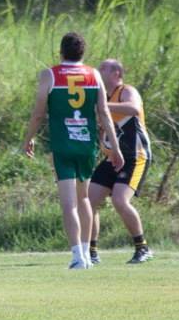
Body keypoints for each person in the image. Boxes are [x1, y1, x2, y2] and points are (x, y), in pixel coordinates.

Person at [23, 32, 123, 269]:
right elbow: (104, 114)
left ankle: (77, 255)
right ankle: (87, 254)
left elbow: (38, 113)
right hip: (86, 144)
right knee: (85, 197)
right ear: (82, 53)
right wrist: (115, 148)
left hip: (63, 144)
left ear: (61, 52)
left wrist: (28, 138)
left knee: (69, 203)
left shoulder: (50, 75)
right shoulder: (94, 74)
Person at [88, 58, 153, 265]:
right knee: (89, 201)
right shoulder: (103, 97)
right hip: (113, 157)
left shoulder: (126, 90)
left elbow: (133, 108)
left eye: (103, 69)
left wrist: (102, 105)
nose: (99, 71)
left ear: (116, 74)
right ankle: (91, 251)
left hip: (135, 156)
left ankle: (142, 247)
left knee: (119, 200)